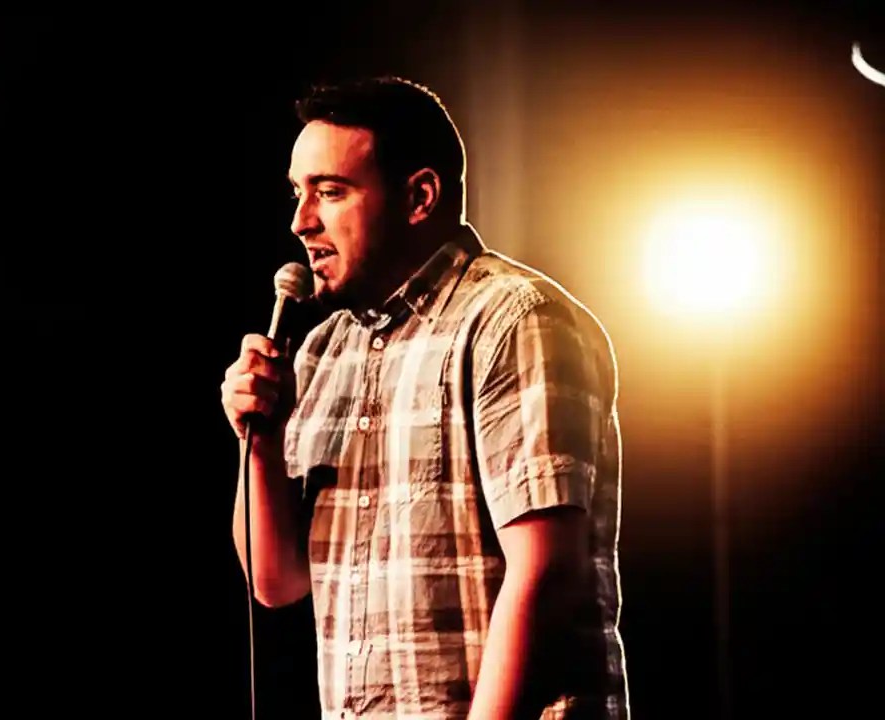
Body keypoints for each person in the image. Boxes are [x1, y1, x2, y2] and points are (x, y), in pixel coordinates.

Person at [220, 76, 630, 720]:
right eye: (298, 193)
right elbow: (278, 583)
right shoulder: (324, 351)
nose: (300, 221)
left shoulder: (514, 319)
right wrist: (262, 443)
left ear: (419, 196)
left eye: (330, 192)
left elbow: (547, 573)